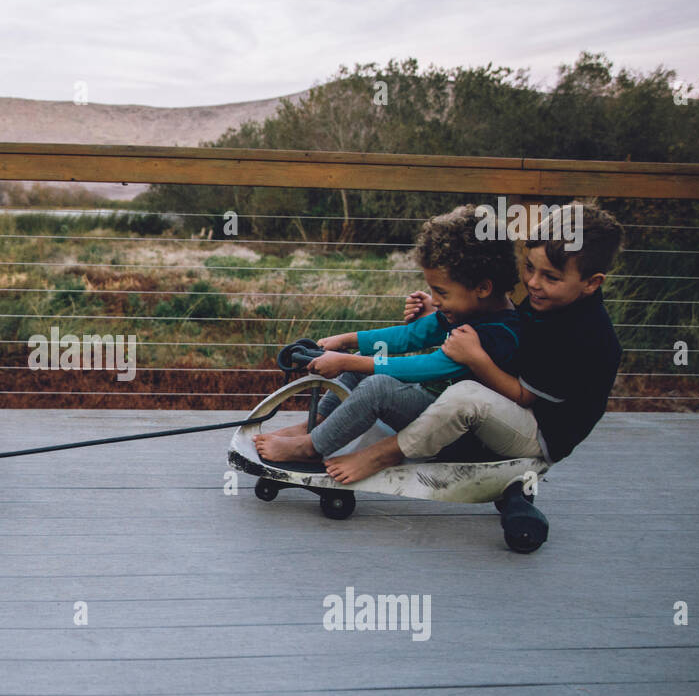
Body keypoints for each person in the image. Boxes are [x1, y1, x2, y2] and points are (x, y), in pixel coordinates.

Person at [322, 201, 623, 484]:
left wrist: (475, 357)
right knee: (453, 387)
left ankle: (385, 453)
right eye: (529, 267)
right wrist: (445, 310)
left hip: (540, 432)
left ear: (591, 282)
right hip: (509, 406)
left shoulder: (583, 335)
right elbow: (508, 331)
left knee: (465, 394)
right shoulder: (551, 300)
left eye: (550, 277)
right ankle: (318, 428)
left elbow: (523, 396)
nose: (533, 283)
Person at [254, 205, 520, 466]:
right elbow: (409, 336)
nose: (435, 301)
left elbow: (426, 367)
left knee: (378, 387)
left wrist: (346, 362)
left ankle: (311, 448)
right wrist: (347, 340)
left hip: (456, 434)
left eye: (443, 293)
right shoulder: (468, 311)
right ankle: (315, 426)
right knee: (367, 359)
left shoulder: (498, 334)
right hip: (432, 403)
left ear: (483, 287)